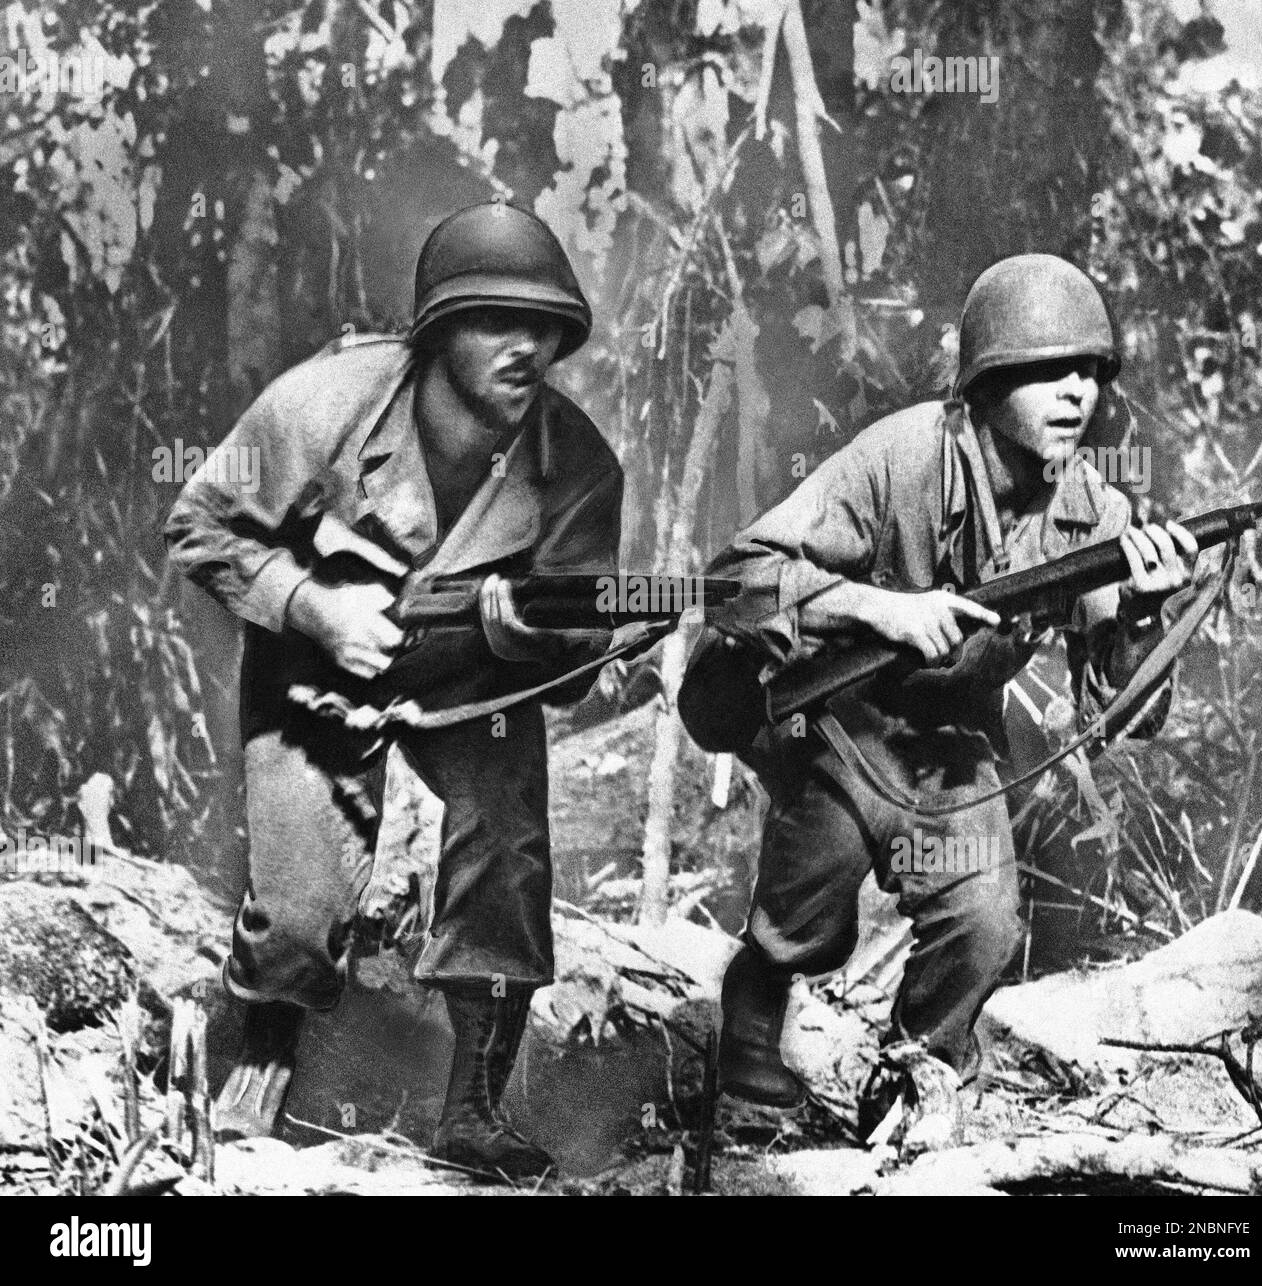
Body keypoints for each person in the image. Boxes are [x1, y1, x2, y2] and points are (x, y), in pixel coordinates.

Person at [164, 202, 622, 1178]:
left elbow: (581, 651)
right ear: (438, 329)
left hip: (471, 674)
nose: (528, 346)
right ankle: (259, 1067)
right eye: (499, 319)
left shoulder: (575, 461)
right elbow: (202, 523)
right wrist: (312, 607)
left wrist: (535, 633)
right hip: (316, 657)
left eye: (547, 326)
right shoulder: (322, 404)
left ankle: (473, 1109)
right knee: (295, 902)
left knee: (507, 856)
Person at [695, 254, 1198, 1134]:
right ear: (987, 380)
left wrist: (1145, 617)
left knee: (982, 919)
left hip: (954, 744)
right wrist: (878, 608)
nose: (1075, 392)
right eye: (1047, 371)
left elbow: (1129, 718)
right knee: (809, 897)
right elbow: (737, 575)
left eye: (1087, 372)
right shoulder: (901, 457)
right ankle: (752, 1016)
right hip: (843, 721)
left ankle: (912, 1074)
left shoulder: (1092, 513)